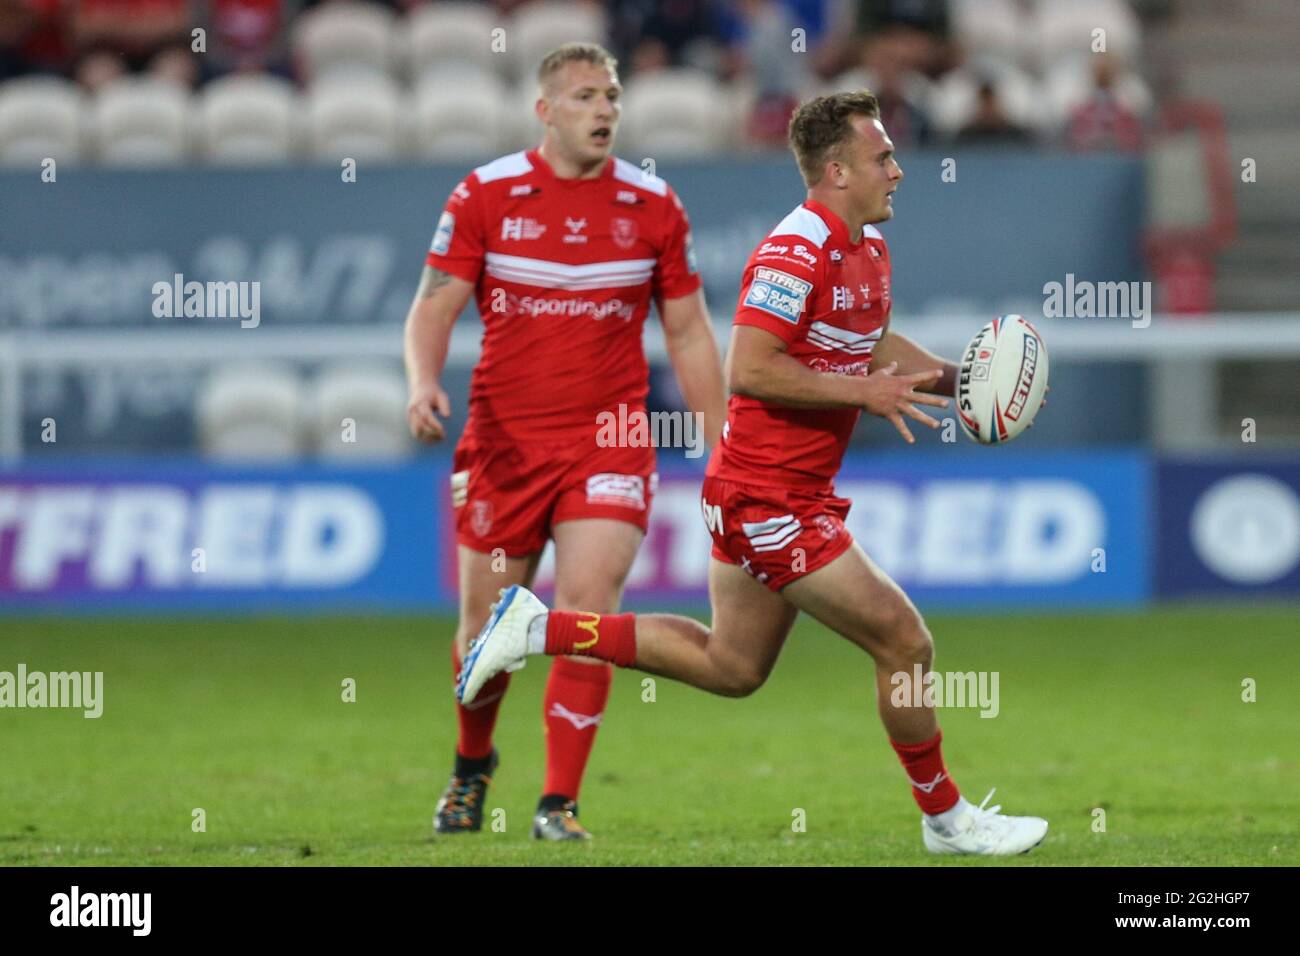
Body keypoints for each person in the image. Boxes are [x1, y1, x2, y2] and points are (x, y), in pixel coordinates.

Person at [457, 90, 1049, 855]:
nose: (899, 171)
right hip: (768, 498)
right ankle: (947, 819)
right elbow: (750, 367)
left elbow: (866, 344)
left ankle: (537, 626)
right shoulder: (794, 249)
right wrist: (860, 394)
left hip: (772, 495)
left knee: (731, 665)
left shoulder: (864, 248)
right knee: (904, 642)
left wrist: (955, 382)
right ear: (836, 171)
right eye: (883, 159)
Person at [404, 42, 725, 841]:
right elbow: (435, 304)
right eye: (585, 96)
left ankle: (558, 802)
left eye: (612, 95)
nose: (605, 109)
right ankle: (472, 767)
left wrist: (722, 438)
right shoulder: (485, 193)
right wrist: (421, 379)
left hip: (610, 438)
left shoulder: (654, 205)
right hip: (504, 441)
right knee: (487, 632)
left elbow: (687, 331)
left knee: (586, 610)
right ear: (545, 111)